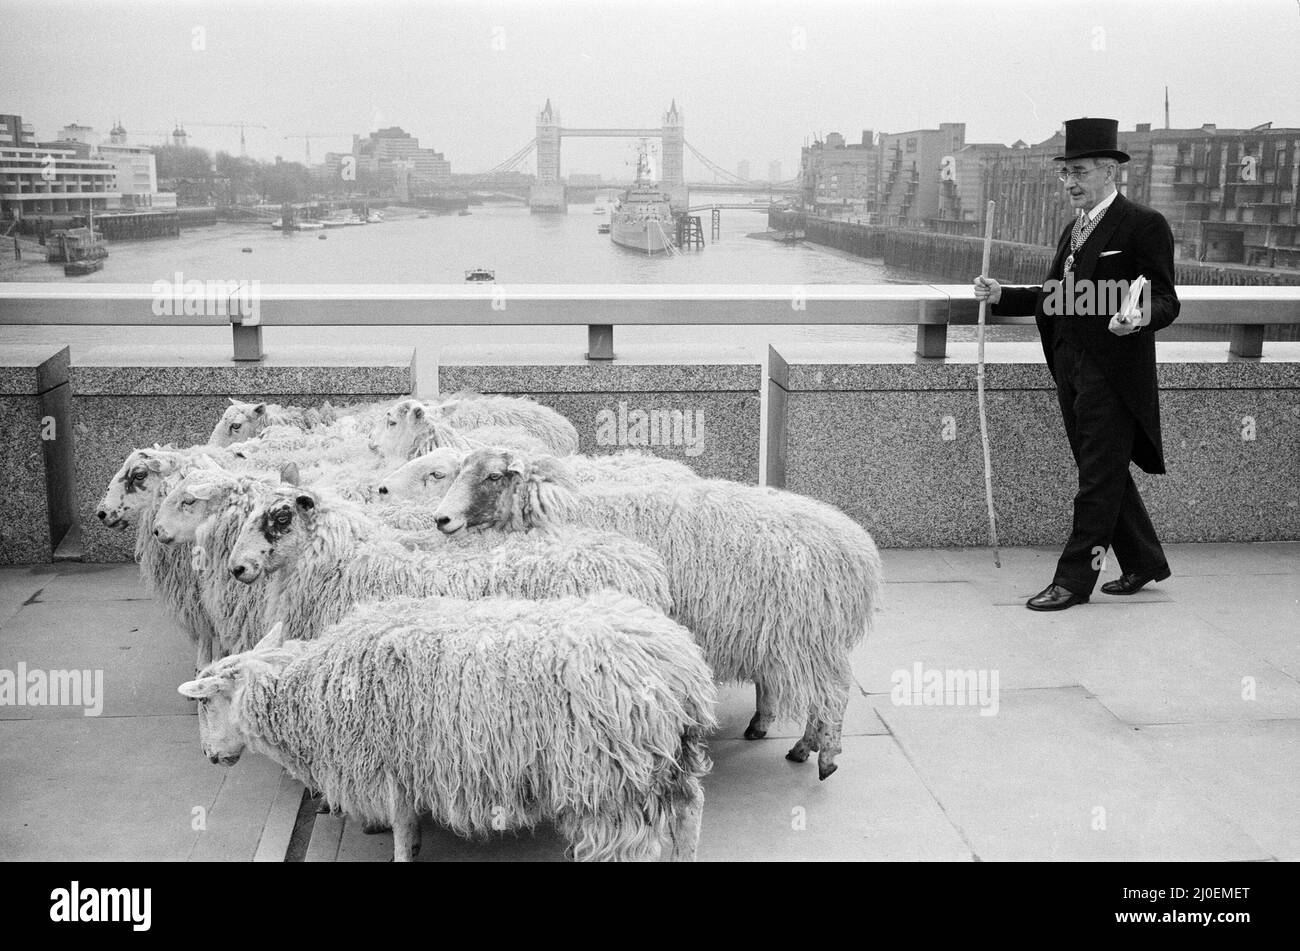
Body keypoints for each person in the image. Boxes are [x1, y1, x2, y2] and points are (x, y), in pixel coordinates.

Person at [973, 117, 1180, 611]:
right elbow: (1059, 296)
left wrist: (1138, 318)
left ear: (1110, 171)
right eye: (1065, 173)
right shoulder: (1074, 229)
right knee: (1102, 470)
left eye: (1080, 172)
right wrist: (1003, 295)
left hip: (1113, 372)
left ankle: (1072, 580)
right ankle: (1145, 561)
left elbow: (1167, 299)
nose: (1070, 183)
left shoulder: (1143, 224)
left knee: (1097, 480)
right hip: (1069, 364)